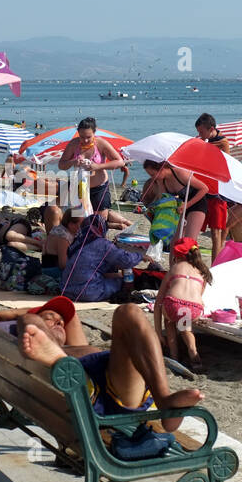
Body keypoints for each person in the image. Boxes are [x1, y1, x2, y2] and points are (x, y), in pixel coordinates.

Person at [0, 297, 203, 434]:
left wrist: (27, 314)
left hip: (112, 387)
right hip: (84, 398)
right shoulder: (26, 336)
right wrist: (22, 316)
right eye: (50, 317)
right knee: (64, 365)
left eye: (61, 322)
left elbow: (71, 315)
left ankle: (164, 400)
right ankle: (57, 360)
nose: (59, 322)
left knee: (129, 311)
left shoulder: (75, 346)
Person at [154, 237, 212, 372]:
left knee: (170, 320)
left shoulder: (175, 268)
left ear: (178, 255)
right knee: (185, 324)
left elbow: (158, 302)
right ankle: (192, 349)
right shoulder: (202, 273)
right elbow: (197, 297)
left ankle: (175, 356)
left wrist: (158, 332)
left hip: (174, 305)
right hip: (195, 309)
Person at [59, 213, 142, 303]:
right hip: (89, 292)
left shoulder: (76, 243)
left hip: (66, 290)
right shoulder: (102, 244)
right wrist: (140, 255)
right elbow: (126, 261)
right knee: (123, 283)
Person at [57, 117, 128, 221]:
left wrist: (98, 166)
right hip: (79, 187)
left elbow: (120, 162)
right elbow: (61, 165)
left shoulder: (101, 143)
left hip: (99, 187)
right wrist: (73, 162)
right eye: (82, 137)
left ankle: (119, 221)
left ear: (95, 132)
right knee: (78, 220)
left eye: (88, 137)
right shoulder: (73, 144)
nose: (85, 140)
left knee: (98, 221)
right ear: (78, 133)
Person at [140, 158, 208, 240]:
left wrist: (187, 205)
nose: (152, 178)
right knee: (174, 241)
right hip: (181, 207)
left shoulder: (180, 173)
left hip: (197, 204)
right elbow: (164, 199)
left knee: (189, 240)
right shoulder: (162, 180)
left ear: (162, 169)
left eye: (153, 174)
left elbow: (204, 188)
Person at [194, 113, 231, 257]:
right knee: (196, 229)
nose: (199, 135)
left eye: (201, 132)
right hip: (203, 189)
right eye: (198, 132)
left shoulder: (222, 142)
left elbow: (225, 165)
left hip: (217, 193)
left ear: (211, 129)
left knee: (216, 232)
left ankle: (215, 267)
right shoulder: (203, 141)